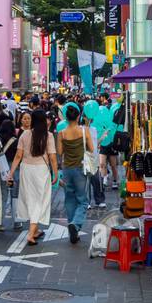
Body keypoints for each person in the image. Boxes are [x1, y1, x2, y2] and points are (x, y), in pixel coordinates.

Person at [6, 109, 56, 246]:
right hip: (41, 171)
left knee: (30, 199)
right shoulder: (49, 136)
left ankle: (35, 230)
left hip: (26, 170)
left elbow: (18, 156)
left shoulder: (25, 135)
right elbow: (52, 157)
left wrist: (11, 173)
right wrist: (56, 173)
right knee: (40, 201)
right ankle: (30, 234)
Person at [56, 103, 93, 244]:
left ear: (66, 118)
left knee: (69, 200)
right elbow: (91, 148)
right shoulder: (84, 131)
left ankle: (73, 229)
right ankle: (75, 224)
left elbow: (60, 152)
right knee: (83, 200)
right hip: (80, 169)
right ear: (78, 117)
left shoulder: (61, 133)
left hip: (67, 169)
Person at [0, 111, 30, 232]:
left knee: (3, 194)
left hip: (2, 170)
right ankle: (17, 222)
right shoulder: (15, 140)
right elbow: (19, 156)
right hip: (14, 169)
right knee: (15, 195)